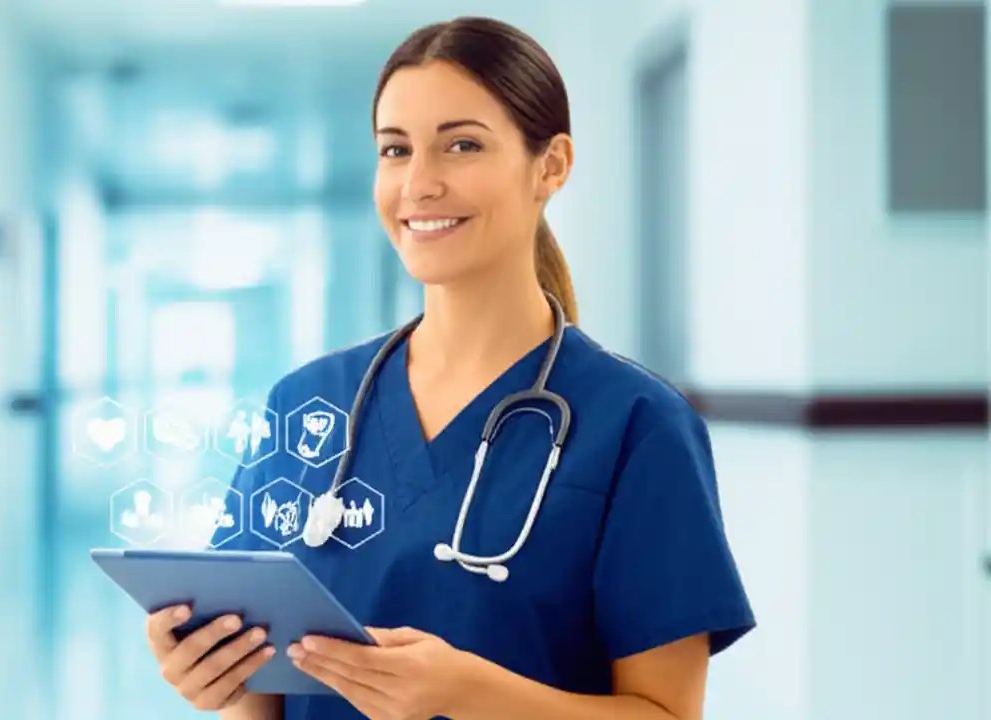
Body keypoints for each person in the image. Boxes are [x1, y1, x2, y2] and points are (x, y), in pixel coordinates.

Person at [144, 15, 755, 720]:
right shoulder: (306, 404)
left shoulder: (636, 425)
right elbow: (263, 700)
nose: (420, 184)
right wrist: (217, 673)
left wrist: (469, 695)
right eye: (395, 149)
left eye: (462, 145)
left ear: (551, 166)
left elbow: (668, 713)